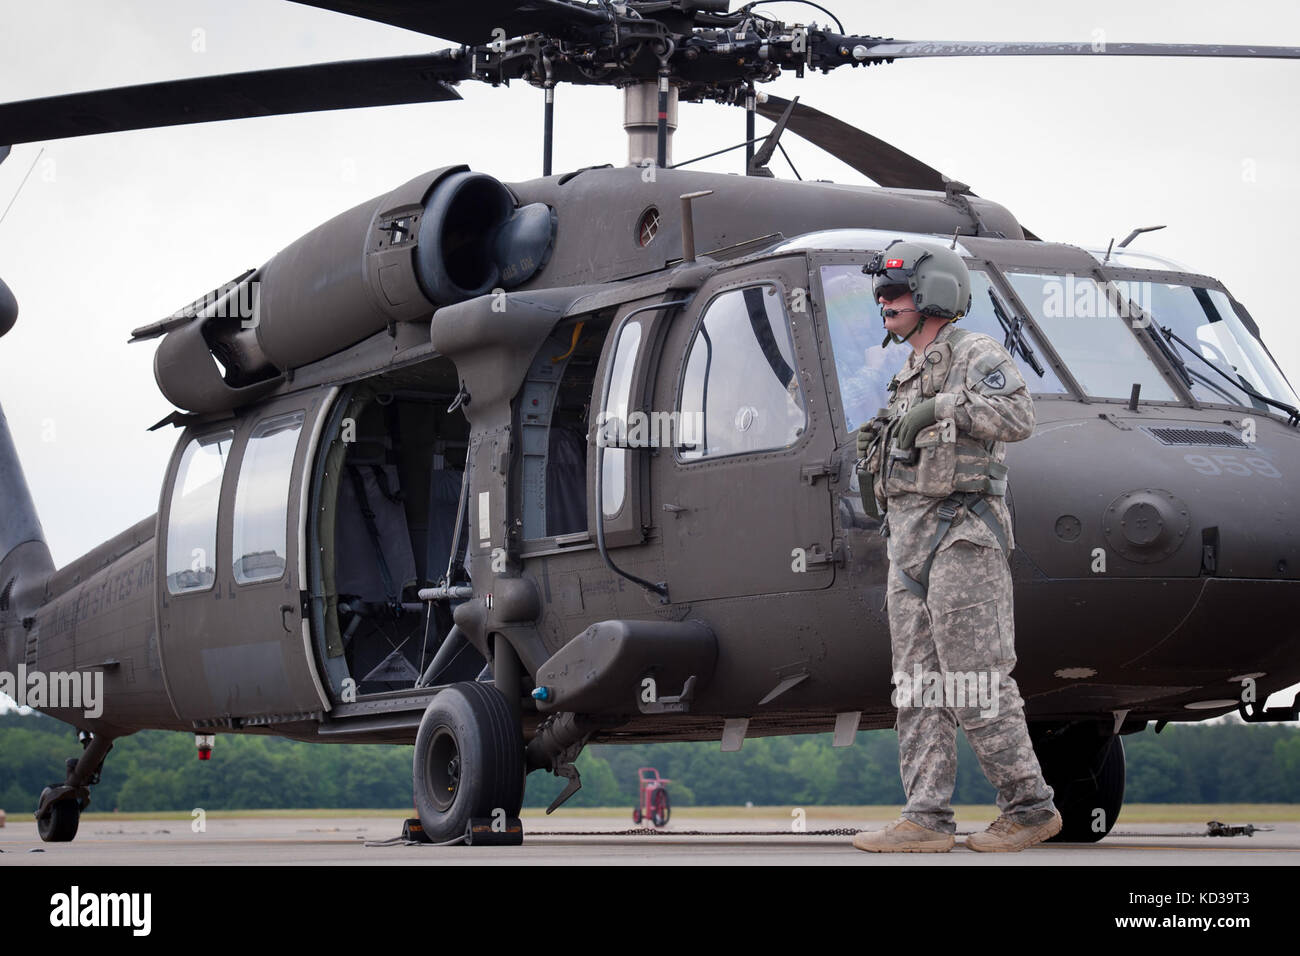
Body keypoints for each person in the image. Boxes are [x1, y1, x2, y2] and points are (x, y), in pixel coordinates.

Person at [851, 239, 1062, 853]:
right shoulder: (908, 373)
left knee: (976, 676)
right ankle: (925, 818)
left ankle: (1029, 807)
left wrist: (943, 407)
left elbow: (1019, 416)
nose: (883, 303)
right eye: (881, 294)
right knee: (916, 684)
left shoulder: (975, 353)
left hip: (963, 536)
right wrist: (882, 438)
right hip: (909, 543)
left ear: (931, 295)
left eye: (895, 293)